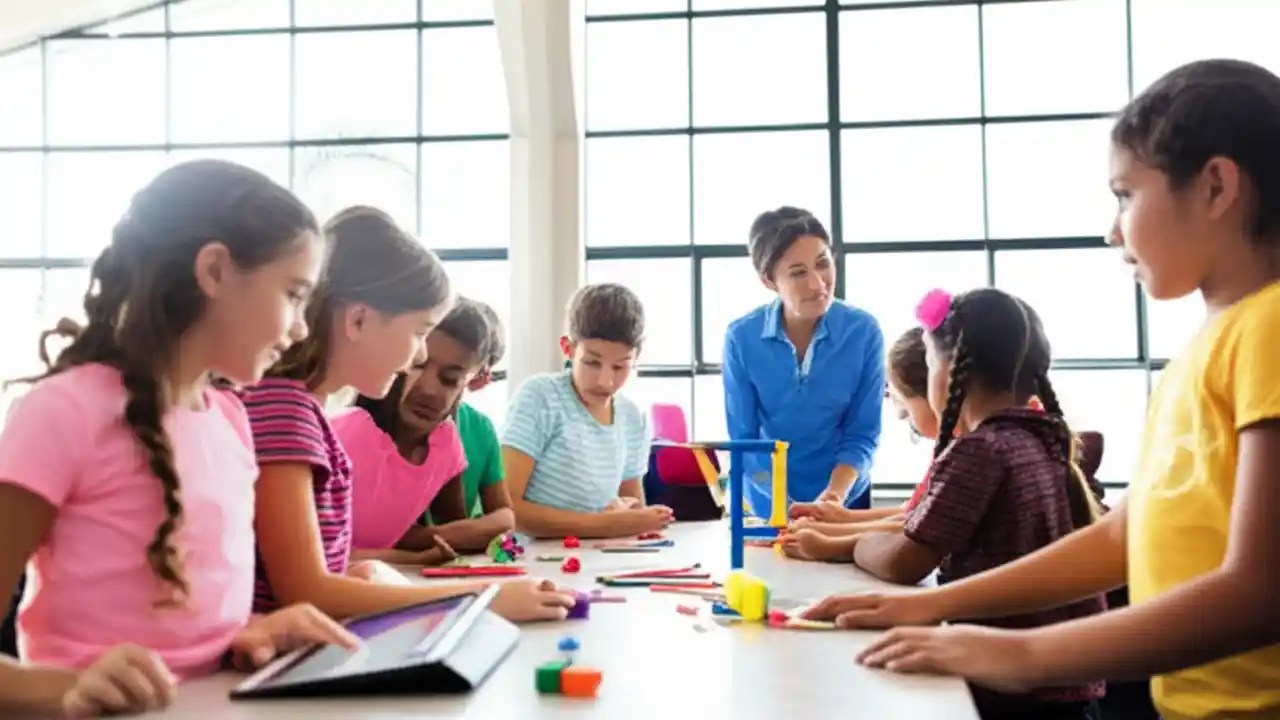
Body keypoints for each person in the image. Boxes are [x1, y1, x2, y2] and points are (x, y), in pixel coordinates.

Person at [802, 59, 1280, 720]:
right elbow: (1127, 539)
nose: (1113, 230)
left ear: (1217, 186)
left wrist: (1020, 656)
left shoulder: (1269, 329)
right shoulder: (1211, 347)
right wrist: (933, 604)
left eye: (1125, 195)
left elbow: (1260, 590)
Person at [0, 161, 358, 718]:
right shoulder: (62, 412)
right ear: (214, 271)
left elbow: (188, 636)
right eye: (293, 295)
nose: (302, 329)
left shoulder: (231, 421)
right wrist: (67, 688)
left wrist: (253, 631)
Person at [244, 207, 573, 623]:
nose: (418, 356)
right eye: (419, 333)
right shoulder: (285, 414)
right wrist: (479, 598)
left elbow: (320, 575)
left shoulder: (305, 414)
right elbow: (305, 592)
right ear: (359, 319)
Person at [722, 207, 884, 515]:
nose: (818, 284)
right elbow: (744, 440)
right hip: (766, 502)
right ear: (769, 280)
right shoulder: (741, 338)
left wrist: (833, 497)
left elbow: (863, 434)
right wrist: (784, 507)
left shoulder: (863, 332)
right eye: (798, 272)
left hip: (842, 499)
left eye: (823, 264)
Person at [340, 297, 513, 556]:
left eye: (450, 379)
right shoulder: (349, 432)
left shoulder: (444, 443)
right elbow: (329, 554)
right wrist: (424, 545)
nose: (430, 390)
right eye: (417, 365)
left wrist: (431, 539)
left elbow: (462, 530)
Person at [502, 283, 674, 538]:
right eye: (592, 362)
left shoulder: (632, 418)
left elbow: (632, 511)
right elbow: (507, 508)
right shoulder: (540, 397)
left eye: (620, 367)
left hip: (600, 560)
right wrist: (605, 525)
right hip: (533, 561)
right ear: (568, 348)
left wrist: (641, 519)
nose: (605, 381)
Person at [786, 327, 939, 543]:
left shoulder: (966, 456)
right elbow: (912, 511)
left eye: (905, 407)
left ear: (937, 390)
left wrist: (831, 539)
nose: (899, 416)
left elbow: (918, 526)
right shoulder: (950, 451)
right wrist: (841, 517)